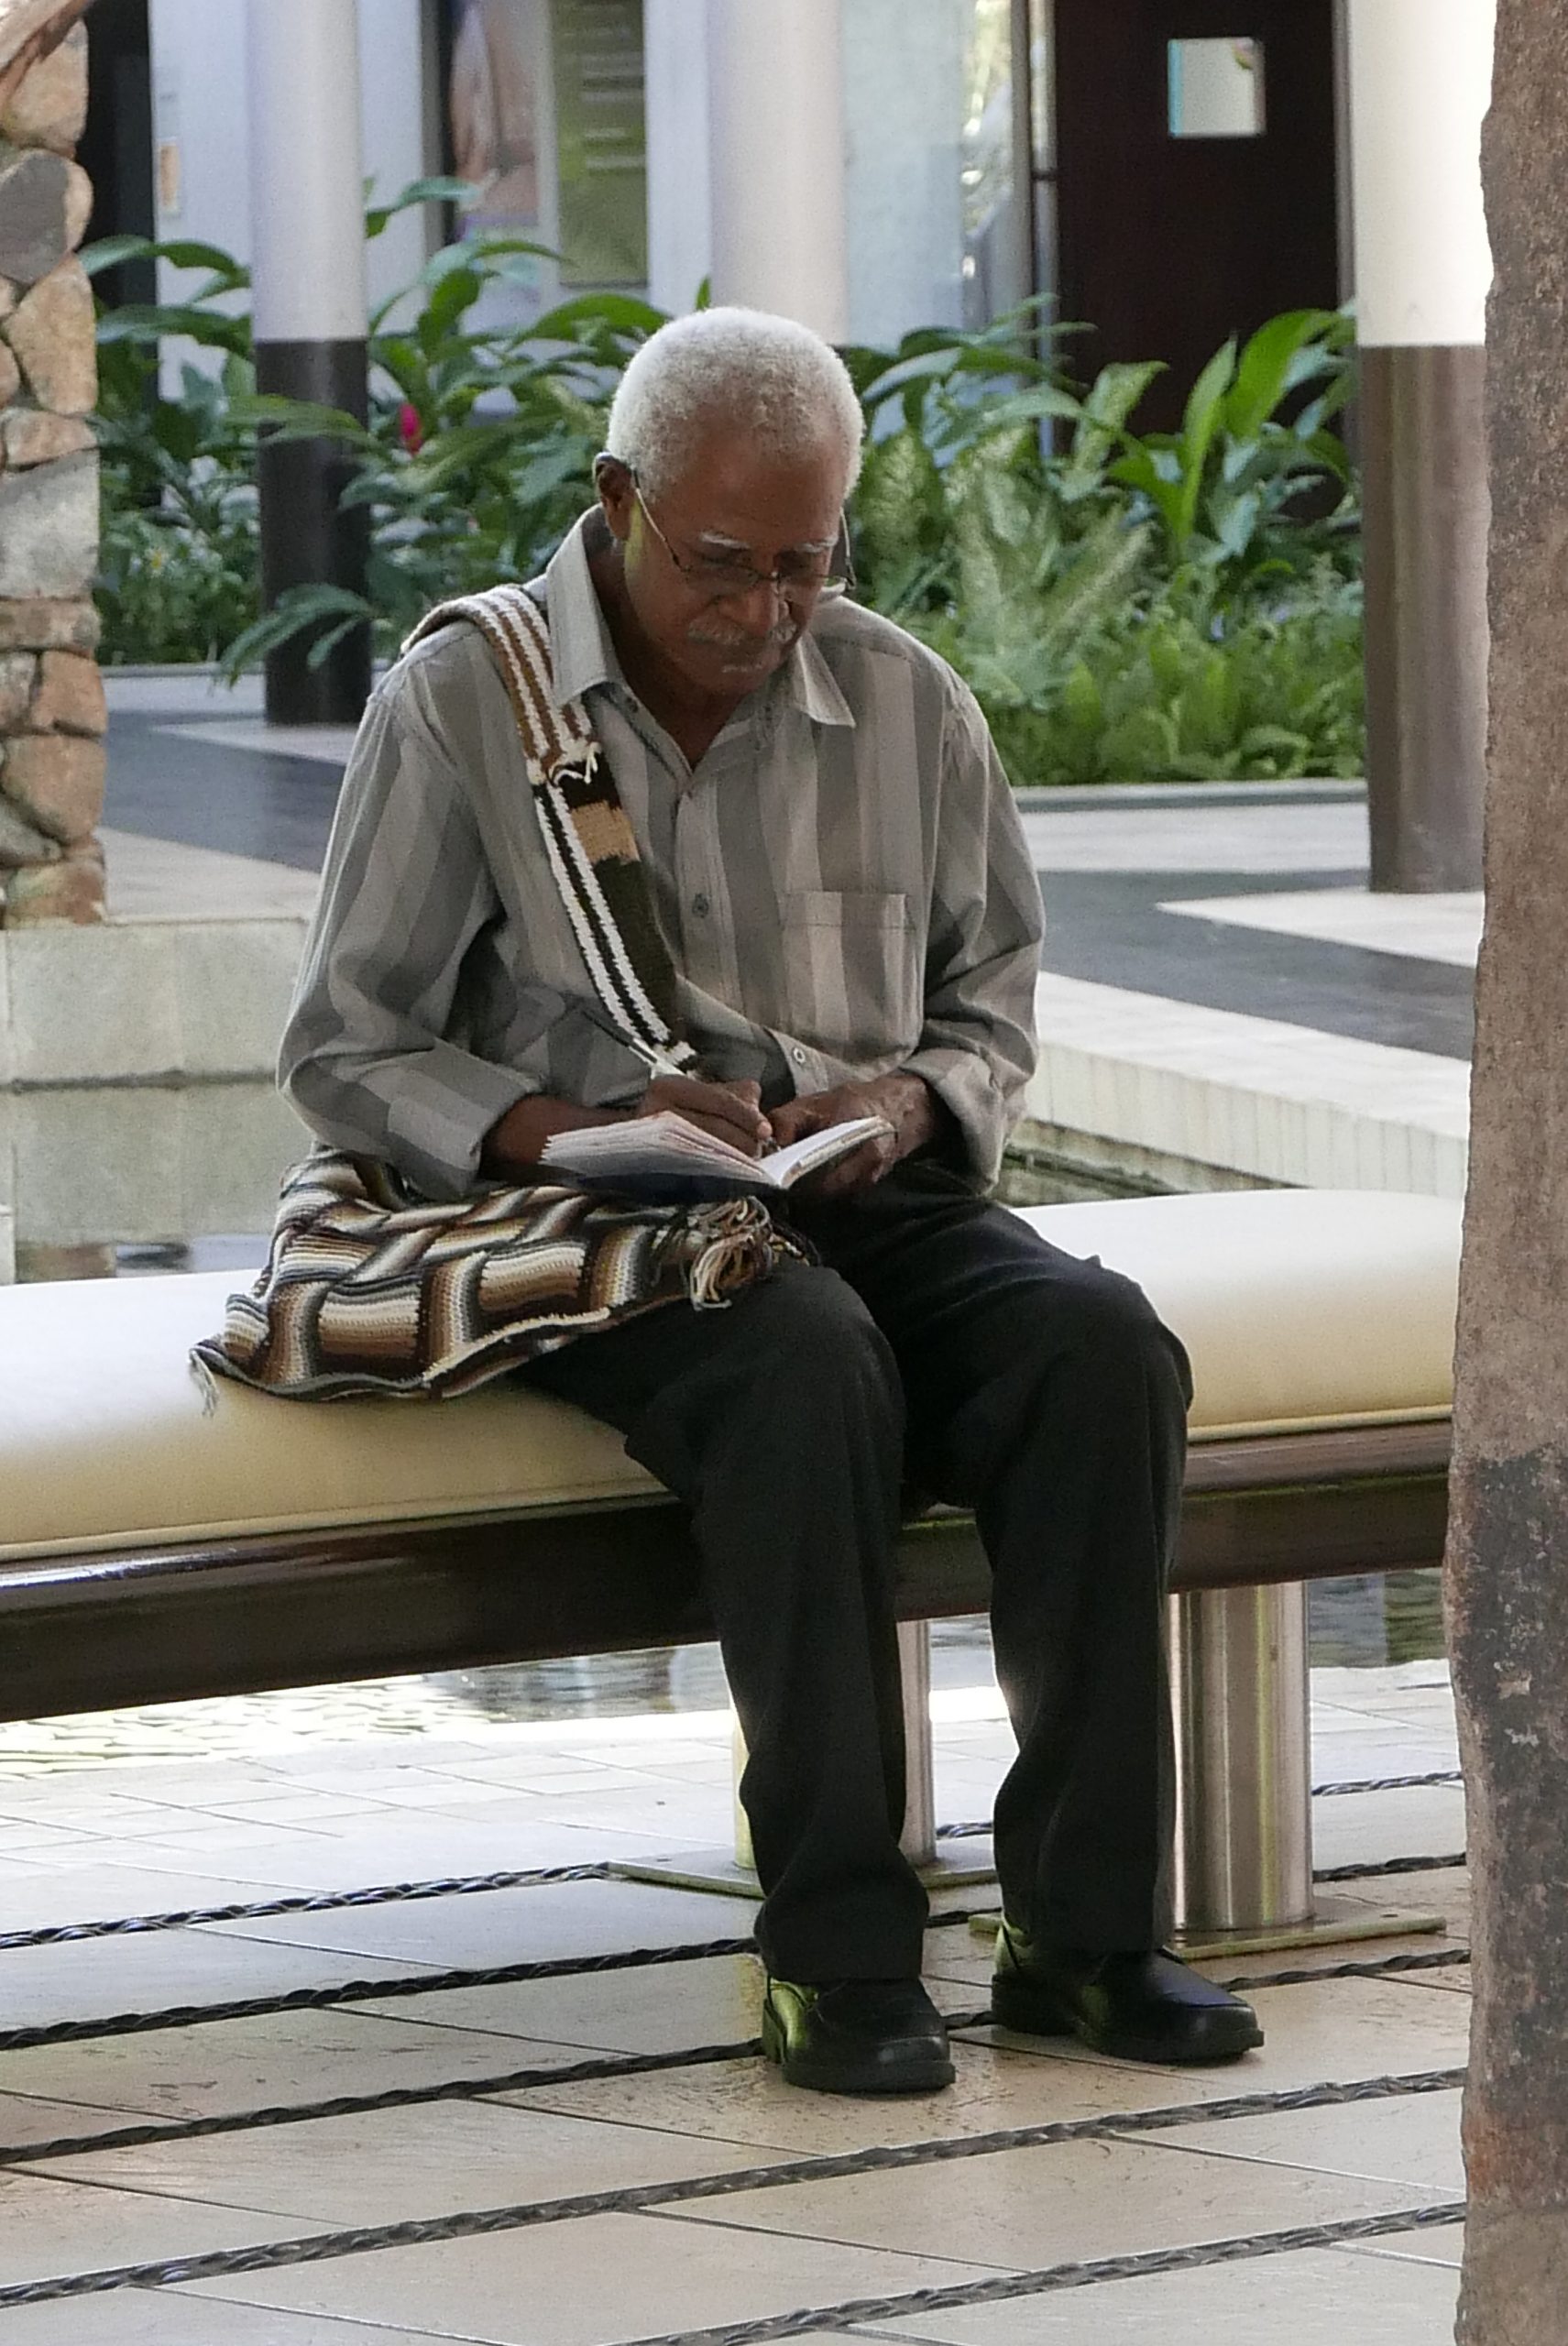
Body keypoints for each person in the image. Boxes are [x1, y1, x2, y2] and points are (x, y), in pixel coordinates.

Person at [279, 306, 1262, 2096]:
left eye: (806, 565)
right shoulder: (462, 701)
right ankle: (839, 1954)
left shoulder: (904, 701)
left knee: (1102, 1349)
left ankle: (1085, 1937)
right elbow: (348, 1046)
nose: (763, 610)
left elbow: (991, 1007)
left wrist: (903, 1099)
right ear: (620, 499)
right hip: (578, 1218)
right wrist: (566, 1120)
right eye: (722, 562)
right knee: (801, 1363)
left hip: (848, 1187)